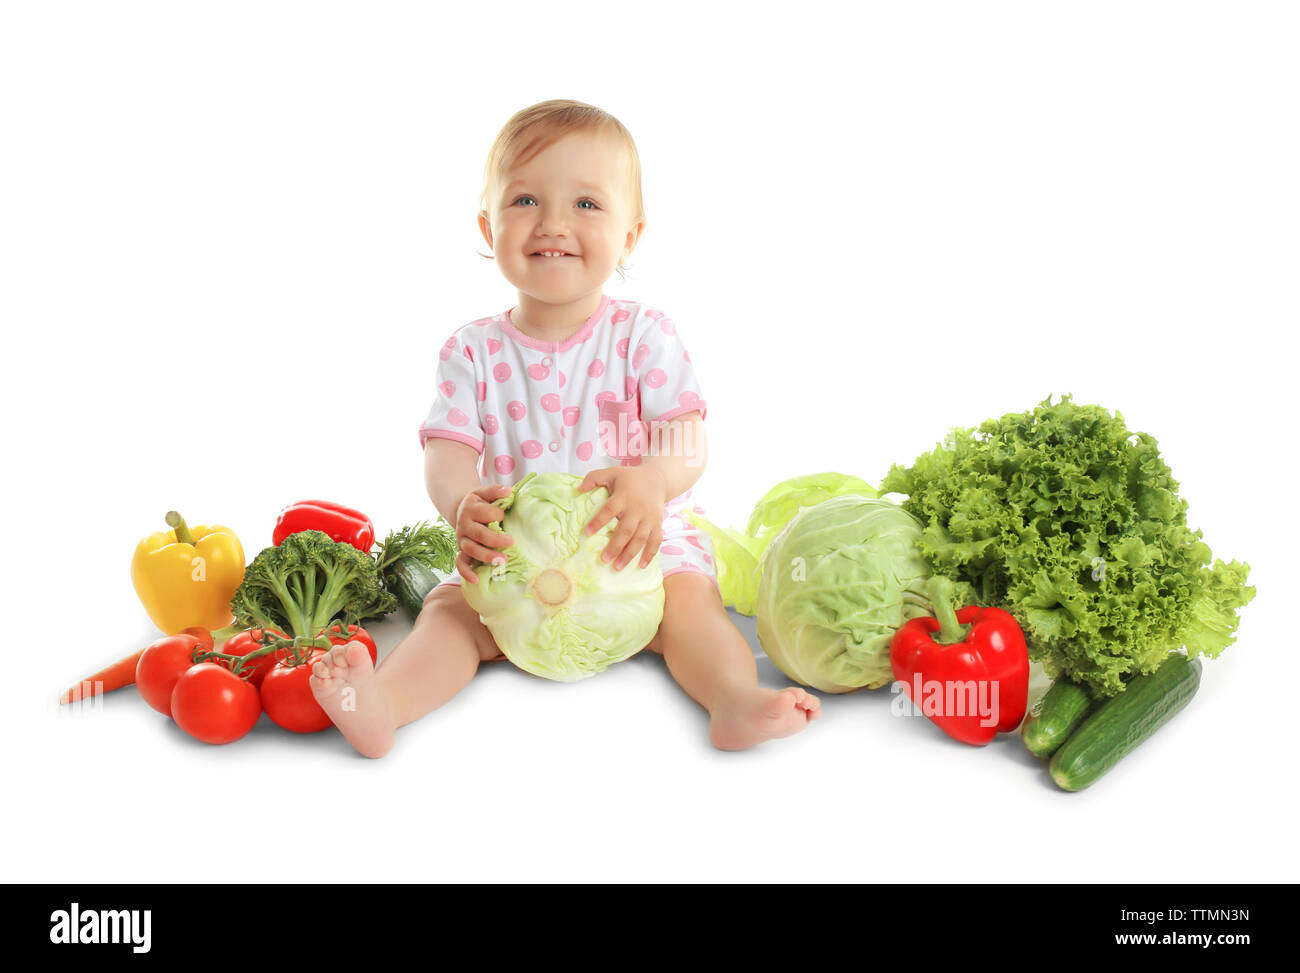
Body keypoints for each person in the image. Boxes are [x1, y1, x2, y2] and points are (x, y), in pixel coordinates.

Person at [309, 99, 820, 757]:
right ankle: (384, 704)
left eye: (586, 204)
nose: (553, 222)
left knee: (691, 602)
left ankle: (731, 697)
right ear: (488, 226)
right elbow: (447, 451)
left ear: (631, 235)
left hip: (633, 547)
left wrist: (652, 480)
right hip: (517, 561)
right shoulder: (472, 351)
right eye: (524, 200)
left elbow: (686, 434)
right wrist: (462, 502)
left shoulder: (643, 334)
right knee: (450, 615)